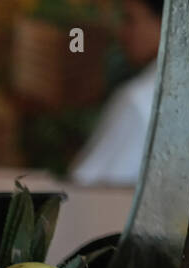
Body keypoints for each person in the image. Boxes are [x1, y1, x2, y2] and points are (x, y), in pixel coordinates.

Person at [68, 0, 163, 186]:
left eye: (130, 19)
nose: (121, 33)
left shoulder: (140, 99)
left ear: (165, 22)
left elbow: (85, 186)